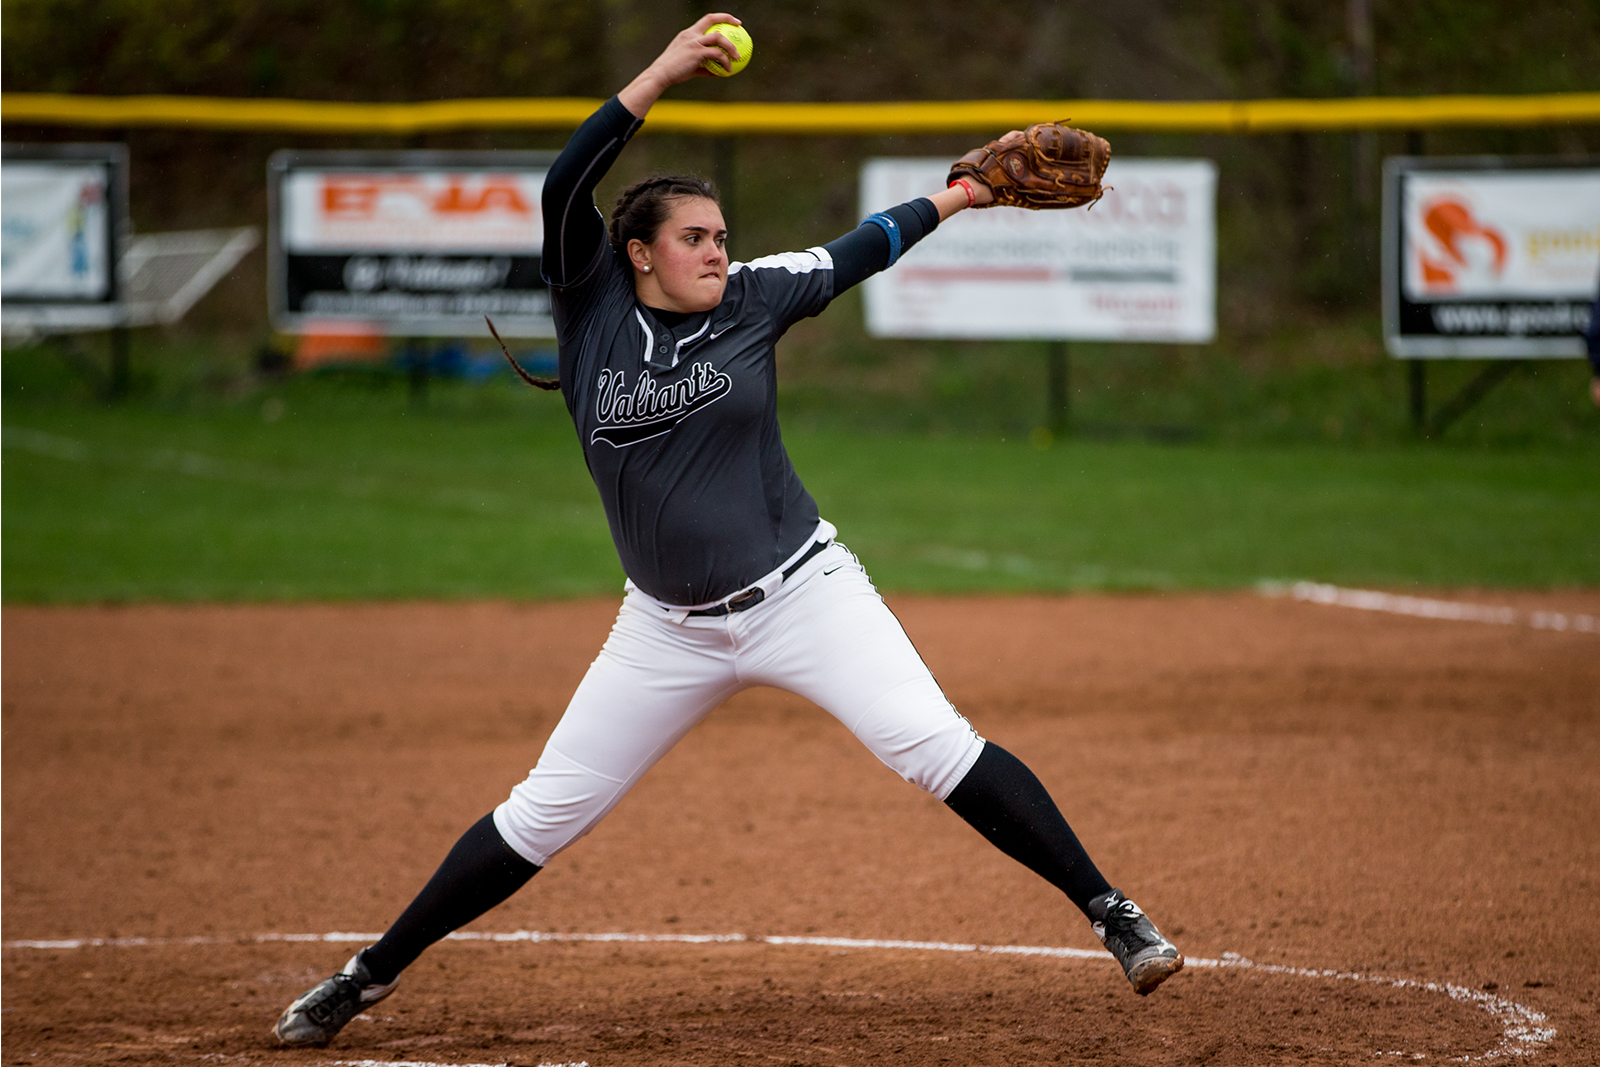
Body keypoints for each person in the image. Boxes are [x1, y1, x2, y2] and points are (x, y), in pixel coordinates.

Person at [272, 13, 1182, 1049]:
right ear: (638, 254)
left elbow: (863, 246)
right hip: (663, 628)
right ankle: (366, 975)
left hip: (803, 592)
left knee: (933, 745)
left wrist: (962, 193)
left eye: (720, 235)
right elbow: (563, 182)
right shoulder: (592, 309)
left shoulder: (754, 299)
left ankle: (1113, 912)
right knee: (540, 816)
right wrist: (661, 71)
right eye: (694, 237)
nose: (716, 248)